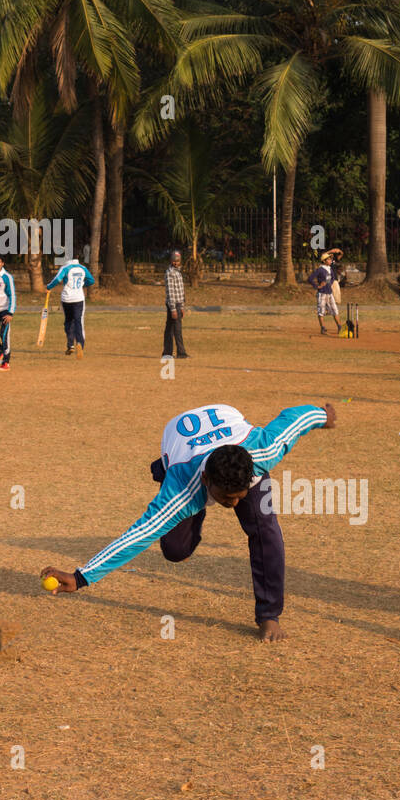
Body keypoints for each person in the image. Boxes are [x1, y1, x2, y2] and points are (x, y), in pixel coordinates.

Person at [41, 400, 336, 643]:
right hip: (181, 446)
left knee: (266, 530)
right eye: (226, 498)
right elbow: (137, 536)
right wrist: (81, 577)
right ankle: (196, 512)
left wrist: (324, 415)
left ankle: (269, 614)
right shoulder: (181, 490)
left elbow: (295, 418)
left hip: (229, 427)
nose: (233, 505)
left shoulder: (264, 452)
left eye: (238, 497)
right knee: (175, 550)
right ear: (207, 481)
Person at [46, 254, 94, 357]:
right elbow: (91, 280)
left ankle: (70, 345)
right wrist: (82, 284)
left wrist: (49, 287)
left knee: (68, 322)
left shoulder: (65, 268)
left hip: (66, 299)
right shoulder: (83, 268)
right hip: (79, 299)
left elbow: (57, 279)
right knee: (78, 322)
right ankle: (80, 343)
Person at [162, 250, 188, 360]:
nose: (176, 263)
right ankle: (181, 353)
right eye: (174, 261)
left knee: (170, 328)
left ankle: (167, 353)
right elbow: (171, 292)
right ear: (171, 261)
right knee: (176, 329)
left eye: (178, 261)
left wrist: (182, 306)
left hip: (178, 304)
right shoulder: (170, 273)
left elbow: (180, 291)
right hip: (173, 304)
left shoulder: (178, 272)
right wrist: (173, 309)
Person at [309, 252, 341, 334]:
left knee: (335, 310)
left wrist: (329, 283)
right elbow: (310, 279)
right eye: (329, 259)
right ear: (324, 261)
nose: (330, 260)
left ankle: (339, 327)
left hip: (330, 293)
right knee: (321, 311)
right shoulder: (320, 270)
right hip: (322, 293)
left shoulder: (330, 269)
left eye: (330, 259)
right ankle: (323, 328)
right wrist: (317, 286)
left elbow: (333, 278)